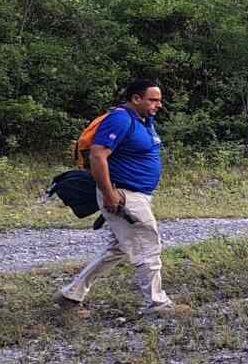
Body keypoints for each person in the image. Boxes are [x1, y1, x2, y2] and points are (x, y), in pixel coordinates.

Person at [57, 79, 185, 316]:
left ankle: (71, 295)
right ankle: (158, 304)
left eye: (159, 99)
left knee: (118, 248)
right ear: (136, 99)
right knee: (148, 246)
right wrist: (109, 194)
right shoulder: (120, 119)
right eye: (153, 100)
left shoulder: (145, 120)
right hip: (123, 194)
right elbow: (98, 156)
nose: (158, 104)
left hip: (138, 194)